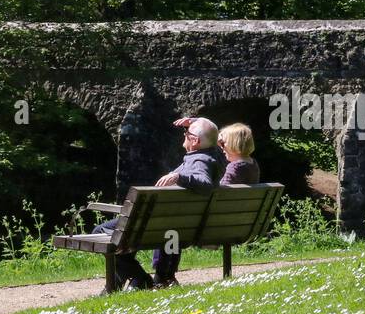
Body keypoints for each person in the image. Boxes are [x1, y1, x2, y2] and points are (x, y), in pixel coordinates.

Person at [92, 116, 222, 290]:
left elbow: (204, 183)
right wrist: (196, 121)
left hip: (157, 225)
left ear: (195, 141)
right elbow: (212, 138)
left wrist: (178, 176)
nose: (184, 134)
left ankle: (139, 278)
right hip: (173, 227)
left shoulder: (198, 161)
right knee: (169, 229)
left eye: (187, 133)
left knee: (100, 231)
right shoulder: (214, 156)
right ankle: (160, 277)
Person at [151, 121, 261, 287]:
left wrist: (181, 178)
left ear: (232, 145)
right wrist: (198, 125)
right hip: (235, 224)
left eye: (222, 143)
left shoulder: (232, 170)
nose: (220, 146)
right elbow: (208, 142)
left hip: (211, 226)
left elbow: (211, 186)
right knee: (173, 227)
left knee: (170, 226)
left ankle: (163, 275)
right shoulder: (252, 166)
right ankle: (166, 276)